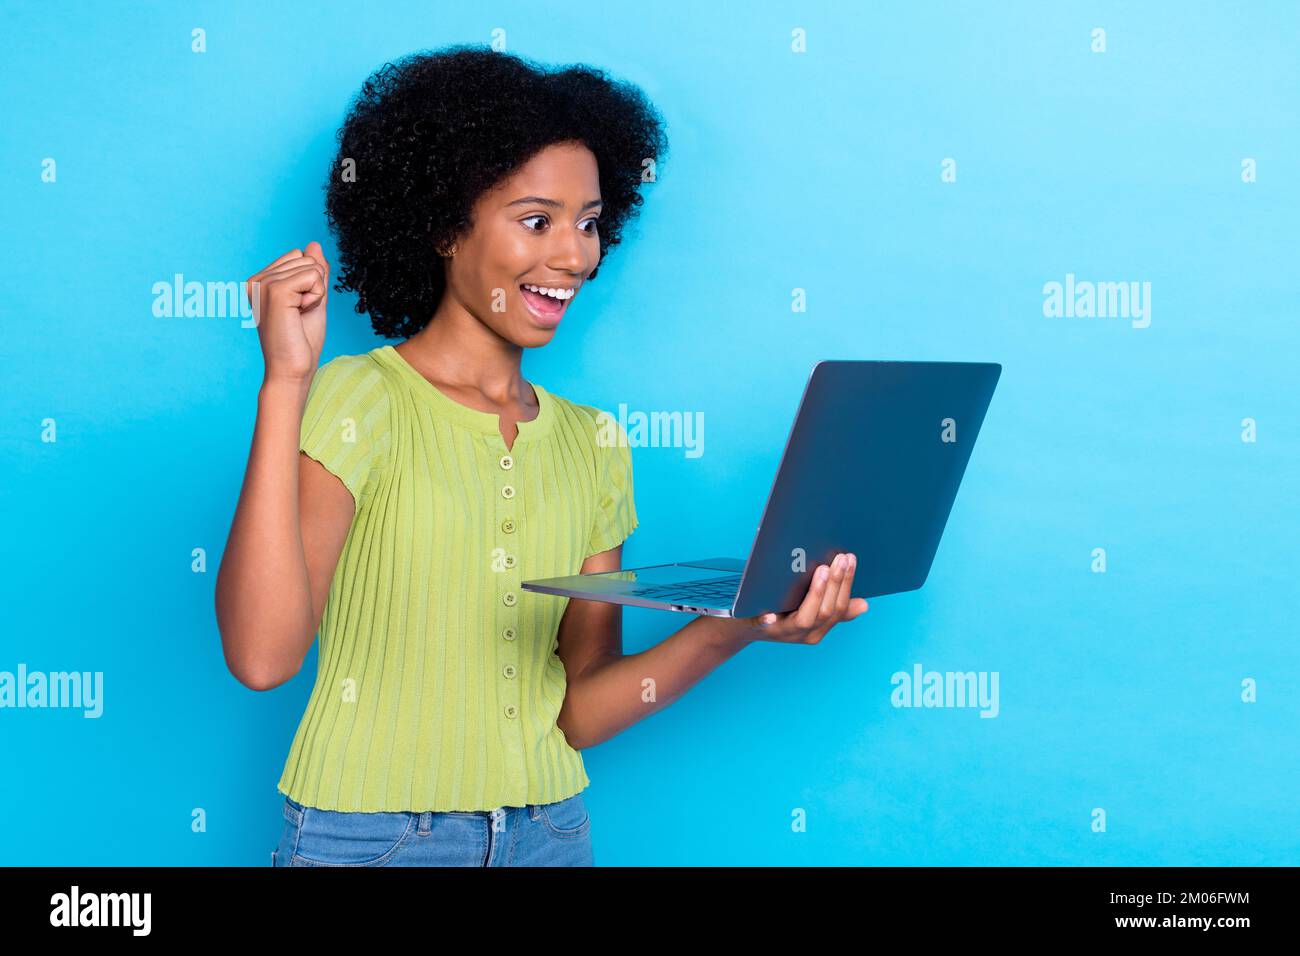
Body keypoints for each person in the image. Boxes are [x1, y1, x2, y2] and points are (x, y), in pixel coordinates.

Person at [215, 44, 868, 867]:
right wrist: (286, 382)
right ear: (445, 226)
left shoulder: (595, 442)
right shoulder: (359, 400)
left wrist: (731, 630)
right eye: (537, 220)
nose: (575, 255)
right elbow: (262, 657)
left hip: (551, 835)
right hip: (371, 841)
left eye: (590, 223)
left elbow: (577, 711)